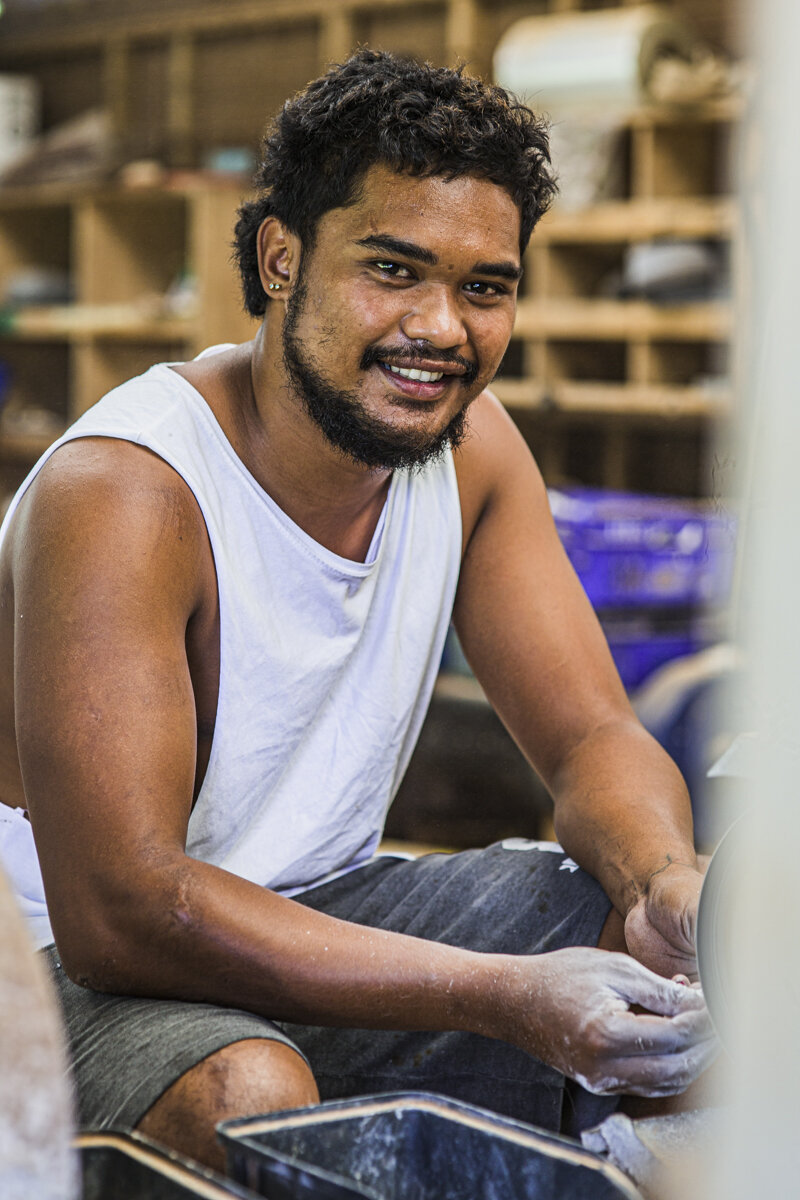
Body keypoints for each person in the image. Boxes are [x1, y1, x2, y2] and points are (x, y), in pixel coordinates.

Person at [0, 50, 715, 1172]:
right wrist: (500, 997)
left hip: (311, 908)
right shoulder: (129, 489)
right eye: (392, 269)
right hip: (55, 970)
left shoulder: (472, 458)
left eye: (485, 286)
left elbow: (591, 738)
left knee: (654, 959)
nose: (439, 327)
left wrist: (662, 880)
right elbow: (123, 912)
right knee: (255, 1092)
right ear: (281, 258)